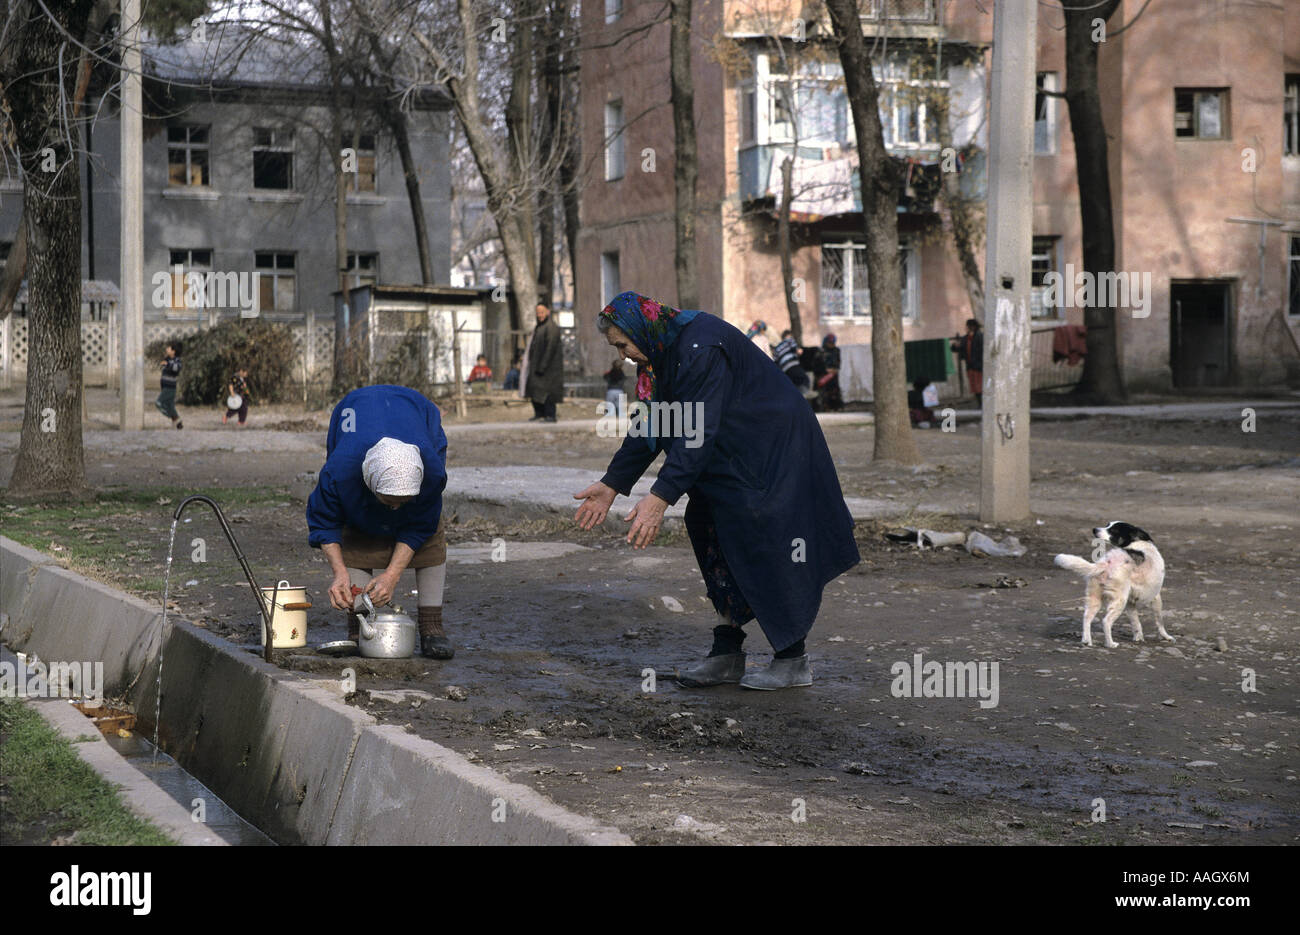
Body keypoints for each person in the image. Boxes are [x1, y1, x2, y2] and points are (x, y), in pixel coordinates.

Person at [574, 292, 860, 691]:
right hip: (730, 455)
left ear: (641, 329)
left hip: (772, 449)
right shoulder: (658, 360)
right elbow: (650, 426)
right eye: (617, 348)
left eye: (623, 344)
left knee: (766, 536)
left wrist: (660, 497)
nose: (623, 355)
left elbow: (696, 430)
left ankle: (793, 658)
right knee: (708, 523)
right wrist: (611, 485)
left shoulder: (700, 346)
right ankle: (727, 653)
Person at [306, 385, 453, 658]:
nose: (396, 508)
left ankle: (432, 626)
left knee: (430, 542)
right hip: (358, 410)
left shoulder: (431, 473)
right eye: (389, 501)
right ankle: (358, 625)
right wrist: (339, 572)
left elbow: (421, 525)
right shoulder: (340, 474)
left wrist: (392, 575)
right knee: (358, 537)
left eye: (405, 501)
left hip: (414, 411)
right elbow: (324, 522)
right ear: (369, 484)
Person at [525, 303, 563, 422]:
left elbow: (550, 348)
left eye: (542, 312)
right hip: (537, 365)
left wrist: (542, 366)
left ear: (547, 312)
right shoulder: (539, 327)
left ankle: (550, 415)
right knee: (535, 390)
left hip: (549, 368)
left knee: (548, 393)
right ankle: (539, 413)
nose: (539, 315)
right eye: (538, 312)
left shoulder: (551, 327)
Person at [951, 318, 984, 406]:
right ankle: (980, 404)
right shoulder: (966, 338)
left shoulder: (980, 337)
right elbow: (957, 348)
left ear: (972, 327)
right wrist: (955, 345)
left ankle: (983, 405)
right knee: (975, 387)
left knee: (980, 386)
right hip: (970, 366)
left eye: (968, 326)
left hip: (979, 366)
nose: (966, 328)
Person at [155, 342, 183, 429]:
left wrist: (168, 364)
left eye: (169, 348)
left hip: (170, 387)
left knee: (158, 403)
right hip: (165, 386)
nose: (167, 349)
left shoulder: (176, 360)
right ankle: (177, 422)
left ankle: (173, 418)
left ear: (173, 351)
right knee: (170, 406)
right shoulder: (166, 359)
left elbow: (177, 368)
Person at [813, 334, 843, 411]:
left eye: (832, 343)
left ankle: (836, 407)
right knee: (824, 393)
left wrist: (834, 370)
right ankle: (825, 407)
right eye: (829, 342)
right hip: (822, 376)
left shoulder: (836, 350)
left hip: (833, 375)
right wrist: (825, 370)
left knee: (835, 392)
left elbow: (838, 362)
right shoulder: (821, 352)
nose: (831, 344)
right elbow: (816, 365)